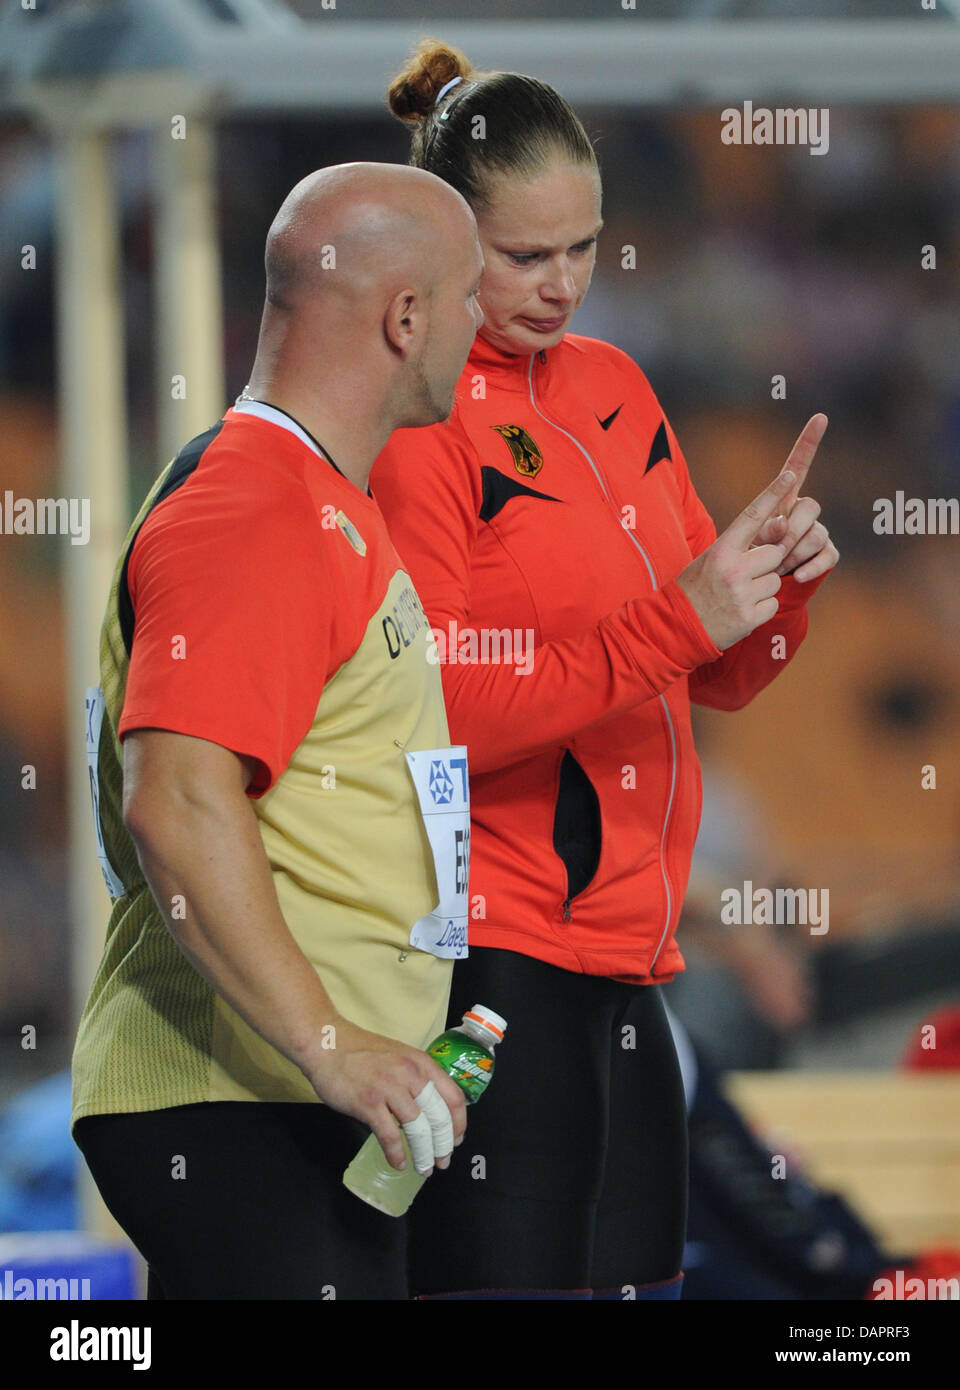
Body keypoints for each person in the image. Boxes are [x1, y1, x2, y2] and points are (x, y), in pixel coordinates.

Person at [371, 41, 840, 1300]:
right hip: (497, 956)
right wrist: (679, 621)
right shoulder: (421, 424)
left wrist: (777, 587)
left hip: (632, 957)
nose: (563, 283)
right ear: (447, 240)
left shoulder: (616, 385)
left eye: (584, 247)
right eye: (526, 256)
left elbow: (711, 675)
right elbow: (439, 706)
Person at [71, 162, 485, 1300]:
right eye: (470, 299)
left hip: (296, 1107)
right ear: (407, 317)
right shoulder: (256, 504)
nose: (482, 326)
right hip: (242, 1100)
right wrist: (328, 1041)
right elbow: (178, 800)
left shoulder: (318, 501)